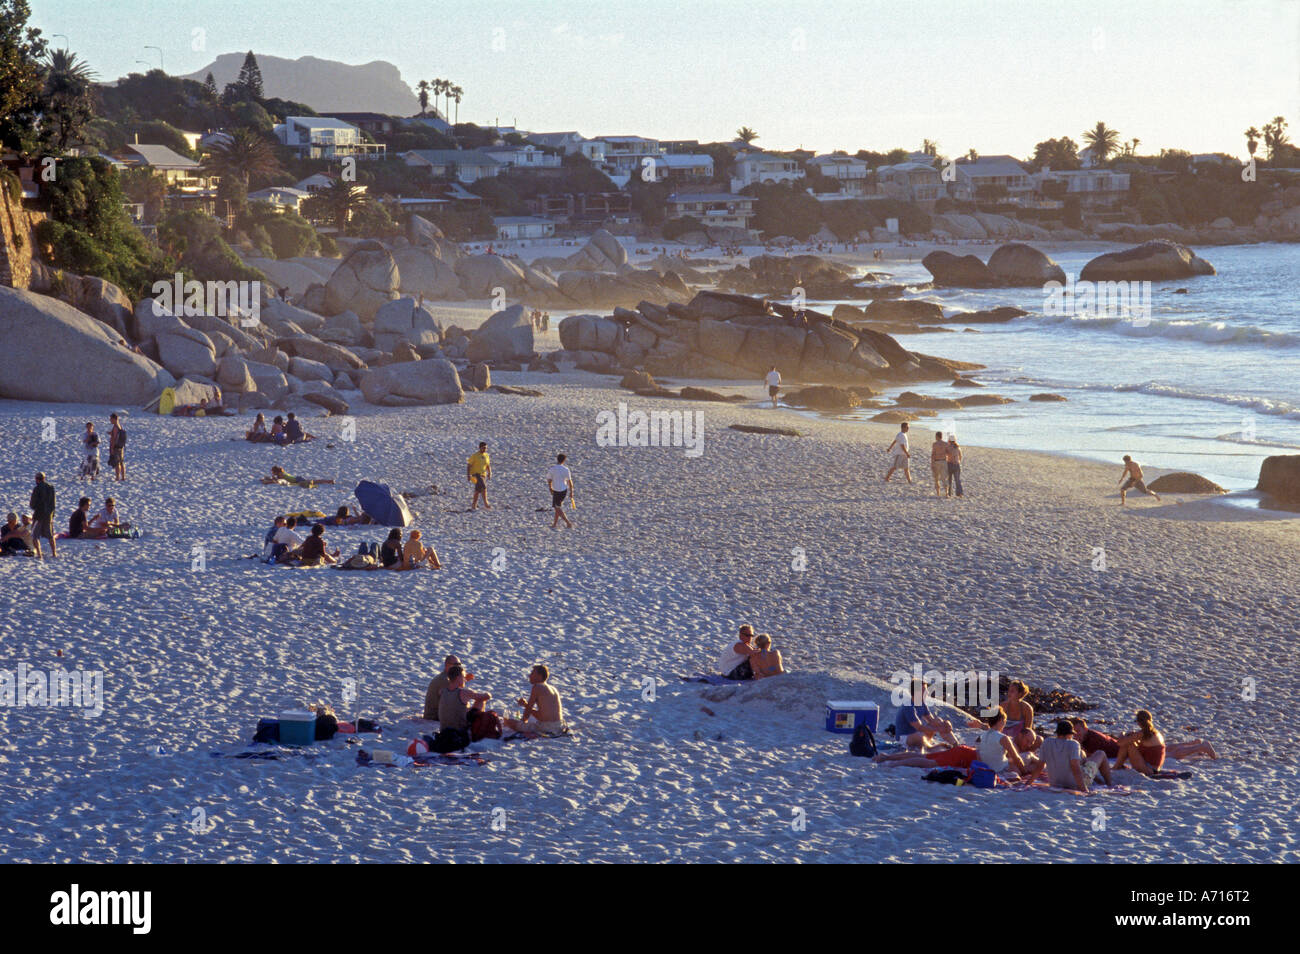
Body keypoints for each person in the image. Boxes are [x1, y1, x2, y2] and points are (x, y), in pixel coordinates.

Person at [1112, 709, 1216, 775]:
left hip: (1150, 769)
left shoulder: (1142, 733)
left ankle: (1117, 767)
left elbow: (1120, 743)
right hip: (1154, 767)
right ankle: (1196, 745)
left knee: (1128, 745)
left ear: (1139, 722)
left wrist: (1123, 735)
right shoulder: (1155, 732)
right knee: (1169, 749)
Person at [1036, 720, 1109, 792]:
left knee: (1082, 755)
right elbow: (1075, 767)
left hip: (1055, 783)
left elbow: (1040, 766)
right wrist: (1084, 790)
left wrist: (1028, 783)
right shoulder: (1073, 744)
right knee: (1101, 753)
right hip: (1075, 785)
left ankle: (1097, 779)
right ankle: (1109, 783)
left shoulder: (1047, 742)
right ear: (1069, 734)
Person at [437, 665, 493, 750]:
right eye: (463, 677)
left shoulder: (442, 691)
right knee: (480, 701)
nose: (465, 679)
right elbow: (484, 697)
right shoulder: (464, 693)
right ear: (458, 677)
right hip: (459, 733)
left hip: (443, 732)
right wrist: (489, 694)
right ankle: (476, 731)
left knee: (464, 707)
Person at [893, 678, 960, 747]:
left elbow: (932, 721)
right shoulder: (908, 706)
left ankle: (956, 745)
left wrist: (946, 724)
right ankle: (931, 748)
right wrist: (939, 729)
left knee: (938, 721)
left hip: (916, 734)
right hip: (904, 738)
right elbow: (919, 727)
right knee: (919, 736)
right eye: (924, 690)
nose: (927, 692)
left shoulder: (921, 704)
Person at [505, 664, 568, 737]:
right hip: (559, 725)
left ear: (539, 676)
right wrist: (525, 705)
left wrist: (522, 723)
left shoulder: (537, 687)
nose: (530, 676)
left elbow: (528, 711)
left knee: (509, 722)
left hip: (546, 727)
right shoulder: (553, 689)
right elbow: (543, 715)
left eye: (532, 673)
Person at [974, 707, 1035, 777]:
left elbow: (978, 757)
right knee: (1030, 759)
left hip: (988, 770)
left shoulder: (980, 737)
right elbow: (1017, 758)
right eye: (1005, 721)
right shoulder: (1003, 738)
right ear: (1000, 720)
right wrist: (1024, 773)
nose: (1005, 724)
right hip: (1001, 770)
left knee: (1016, 760)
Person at [1001, 680, 1040, 753]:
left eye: (1012, 691)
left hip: (1019, 740)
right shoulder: (1003, 706)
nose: (1009, 693)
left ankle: (1023, 754)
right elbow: (996, 727)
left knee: (1039, 739)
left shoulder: (1027, 708)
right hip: (1004, 740)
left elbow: (1028, 730)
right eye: (1009, 691)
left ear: (1020, 694)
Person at [423, 655, 461, 720]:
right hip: (434, 716)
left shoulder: (446, 677)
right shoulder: (445, 680)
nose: (458, 667)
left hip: (433, 714)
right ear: (447, 665)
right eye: (455, 664)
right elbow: (452, 702)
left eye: (459, 664)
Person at [29, 472, 57, 560]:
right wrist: (52, 514)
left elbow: (33, 504)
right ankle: (54, 553)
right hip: (49, 515)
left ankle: (39, 554)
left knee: (34, 535)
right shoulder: (51, 488)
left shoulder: (37, 489)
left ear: (37, 479)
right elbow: (53, 503)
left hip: (39, 515)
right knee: (50, 535)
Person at [546, 453, 574, 529]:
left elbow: (549, 480)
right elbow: (570, 482)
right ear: (564, 460)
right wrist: (571, 492)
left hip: (556, 490)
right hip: (563, 490)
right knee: (557, 506)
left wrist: (550, 488)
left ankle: (568, 523)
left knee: (557, 507)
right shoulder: (566, 469)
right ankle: (554, 524)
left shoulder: (552, 469)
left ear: (557, 459)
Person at [467, 442, 492, 511]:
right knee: (483, 487)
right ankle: (486, 503)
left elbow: (488, 465)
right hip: (475, 474)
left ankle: (474, 505)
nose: (485, 449)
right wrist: (468, 475)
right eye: (483, 448)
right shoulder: (475, 455)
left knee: (477, 490)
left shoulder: (486, 455)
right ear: (480, 448)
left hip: (483, 475)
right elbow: (469, 465)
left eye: (486, 448)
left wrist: (489, 473)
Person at [262, 465, 333, 488]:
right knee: (315, 481)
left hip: (297, 480)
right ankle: (328, 481)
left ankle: (328, 481)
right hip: (297, 478)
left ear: (275, 471)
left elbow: (276, 481)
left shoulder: (280, 475)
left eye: (272, 471)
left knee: (314, 482)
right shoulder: (281, 473)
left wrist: (267, 481)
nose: (272, 472)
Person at [108, 413, 127, 481]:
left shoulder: (115, 427)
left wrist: (112, 448)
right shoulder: (119, 426)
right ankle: (123, 477)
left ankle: (117, 477)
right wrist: (111, 433)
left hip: (116, 447)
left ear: (114, 419)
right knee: (121, 462)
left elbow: (114, 438)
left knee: (117, 463)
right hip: (121, 447)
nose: (110, 420)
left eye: (111, 419)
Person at [929, 432, 949, 497]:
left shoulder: (934, 444)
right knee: (944, 478)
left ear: (937, 436)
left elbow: (933, 454)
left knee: (936, 479)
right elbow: (948, 453)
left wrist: (932, 463)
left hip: (936, 462)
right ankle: (946, 493)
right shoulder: (946, 444)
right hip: (943, 462)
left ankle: (938, 493)